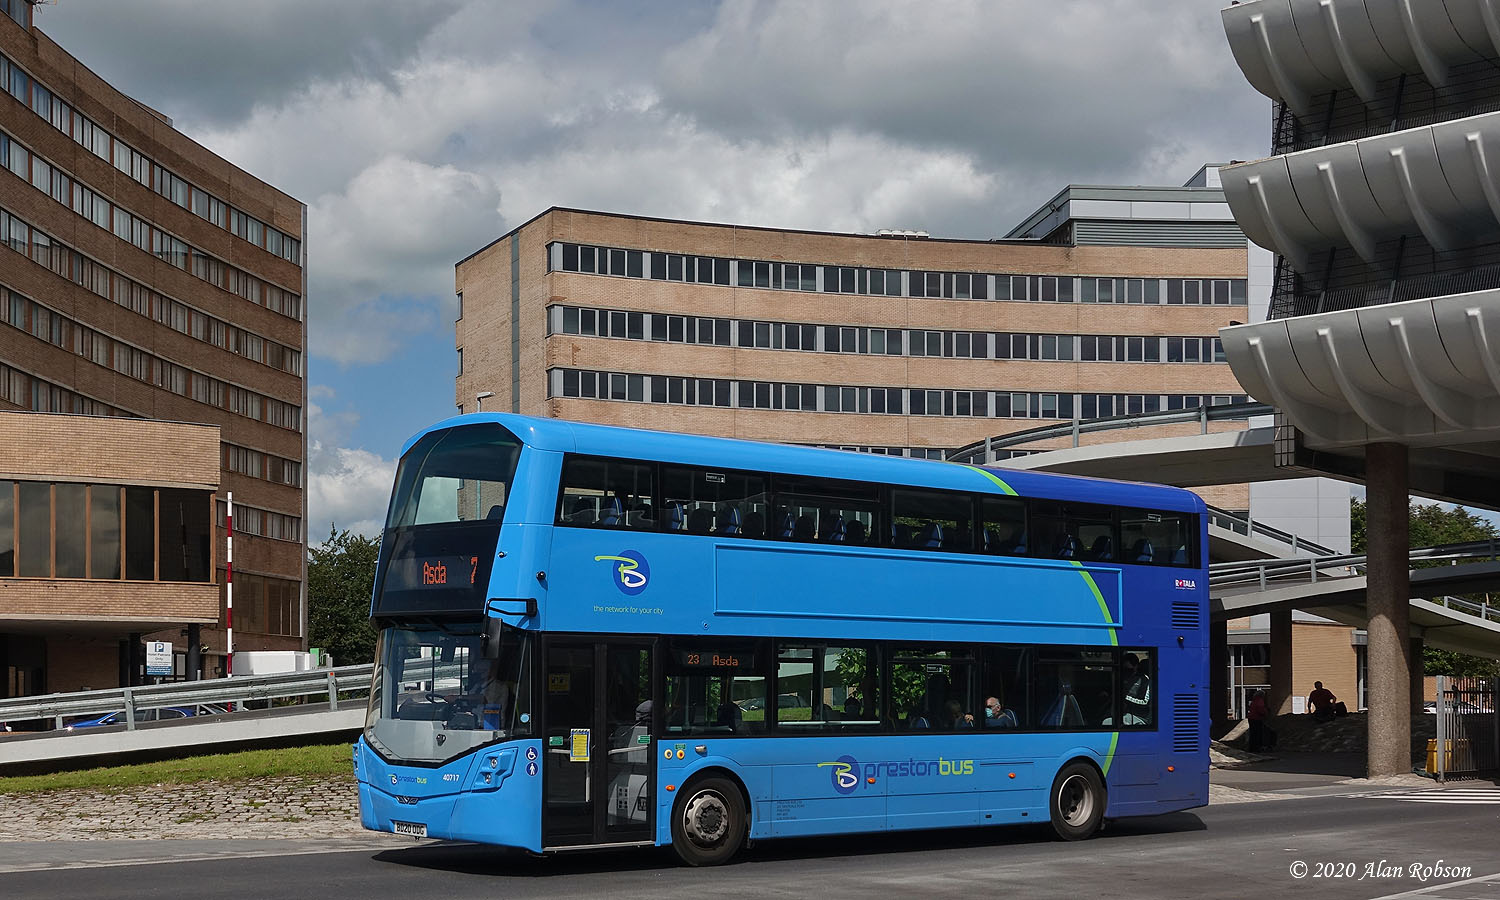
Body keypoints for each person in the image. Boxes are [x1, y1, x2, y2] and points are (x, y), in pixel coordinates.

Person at [1122, 653, 1152, 725]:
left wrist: (1125, 697)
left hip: (1139, 716)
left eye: (1128, 668)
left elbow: (1145, 702)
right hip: (1125, 712)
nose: (1127, 671)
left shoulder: (1145, 680)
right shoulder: (1128, 678)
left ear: (1136, 666)